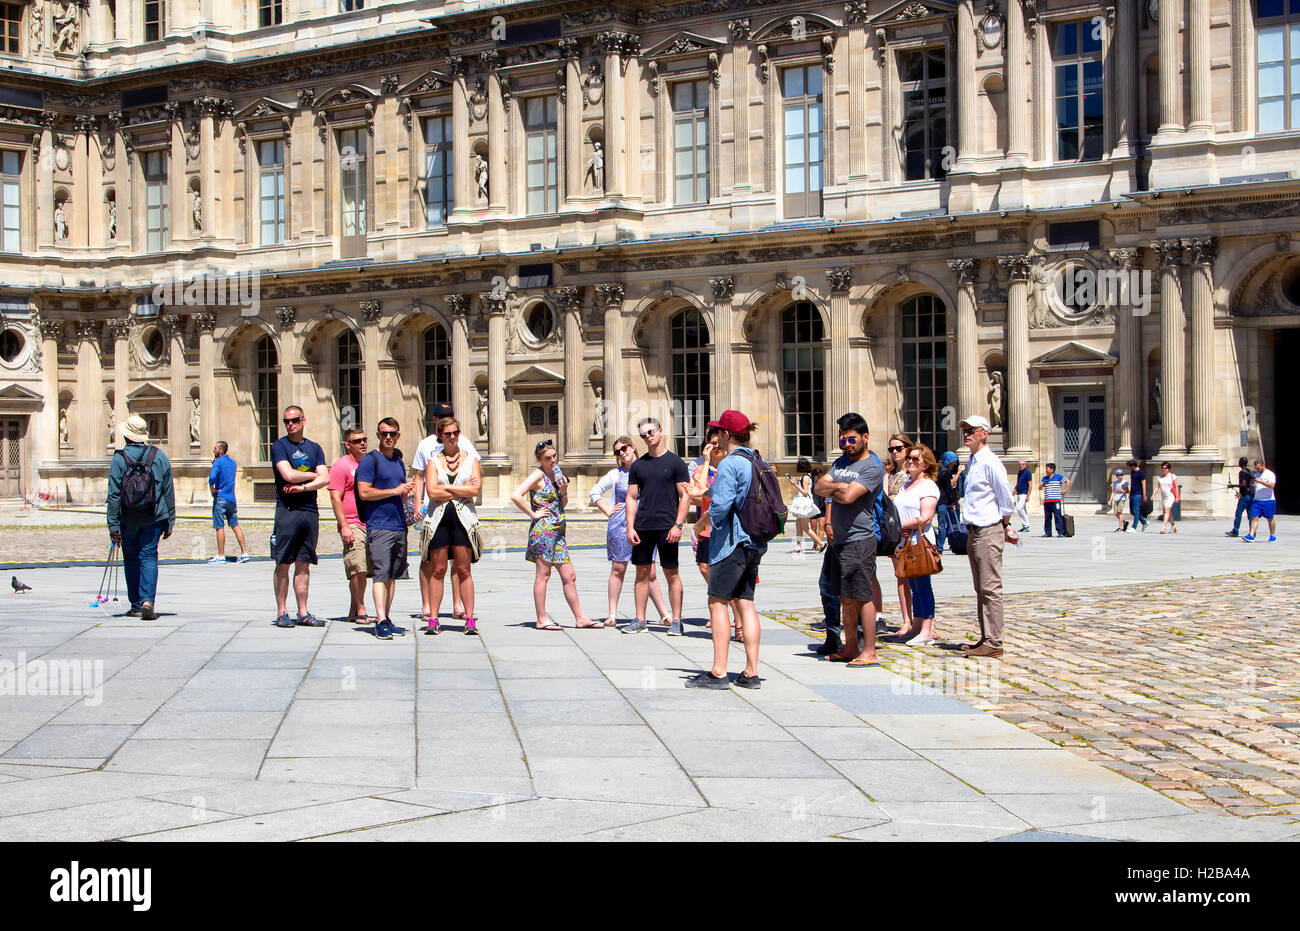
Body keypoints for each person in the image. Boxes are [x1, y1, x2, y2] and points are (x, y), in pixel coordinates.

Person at [686, 410, 767, 689]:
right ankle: (751, 672)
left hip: (731, 543)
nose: (717, 436)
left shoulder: (731, 463)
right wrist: (705, 494)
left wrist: (701, 524)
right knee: (746, 603)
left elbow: (721, 506)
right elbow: (732, 493)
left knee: (717, 602)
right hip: (754, 542)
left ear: (728, 435)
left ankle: (719, 671)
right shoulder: (757, 459)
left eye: (720, 431)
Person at [814, 412, 884, 667]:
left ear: (865, 437)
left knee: (862, 595)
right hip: (840, 541)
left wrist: (839, 488)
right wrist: (839, 486)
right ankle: (850, 645)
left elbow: (848, 497)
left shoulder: (872, 466)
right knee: (845, 596)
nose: (846, 444)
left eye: (851, 439)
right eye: (843, 440)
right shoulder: (841, 463)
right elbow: (819, 488)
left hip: (860, 539)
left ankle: (869, 651)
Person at [511, 439, 600, 630]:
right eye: (547, 458)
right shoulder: (538, 475)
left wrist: (564, 490)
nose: (552, 460)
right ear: (539, 459)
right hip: (543, 531)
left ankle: (580, 617)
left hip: (559, 531)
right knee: (543, 574)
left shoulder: (557, 475)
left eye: (554, 456)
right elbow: (516, 495)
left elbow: (562, 505)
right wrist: (533, 513)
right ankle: (542, 618)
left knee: (570, 575)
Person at [589, 435, 671, 627]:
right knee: (618, 568)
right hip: (620, 525)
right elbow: (594, 492)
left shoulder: (647, 468)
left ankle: (664, 613)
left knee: (649, 571)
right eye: (618, 451)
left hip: (645, 523)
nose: (622, 453)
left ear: (633, 447)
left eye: (624, 448)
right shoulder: (615, 474)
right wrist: (608, 510)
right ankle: (612, 613)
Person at [412, 402, 481, 623]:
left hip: (463, 520)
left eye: (455, 433)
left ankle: (467, 616)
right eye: (448, 434)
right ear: (440, 435)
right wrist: (460, 490)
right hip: (438, 519)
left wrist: (447, 488)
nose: (452, 437)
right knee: (438, 569)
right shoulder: (432, 459)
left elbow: (475, 490)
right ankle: (432, 616)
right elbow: (431, 492)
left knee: (463, 570)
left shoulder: (469, 457)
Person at [623, 417, 691, 636]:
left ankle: (677, 620)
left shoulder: (675, 463)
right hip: (643, 526)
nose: (647, 437)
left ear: (660, 431)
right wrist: (630, 527)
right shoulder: (638, 465)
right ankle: (640, 619)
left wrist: (678, 524)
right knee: (642, 573)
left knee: (671, 572)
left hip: (667, 526)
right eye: (643, 435)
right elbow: (631, 498)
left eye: (650, 432)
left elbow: (685, 496)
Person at [958, 414, 1018, 658]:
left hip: (988, 529)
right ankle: (986, 637)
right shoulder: (973, 461)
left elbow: (1005, 499)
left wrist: (1003, 525)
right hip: (973, 530)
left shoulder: (990, 462)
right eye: (965, 430)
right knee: (980, 587)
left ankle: (994, 642)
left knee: (990, 587)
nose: (966, 434)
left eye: (972, 430)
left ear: (984, 433)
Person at [106, 415, 175, 620]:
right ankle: (148, 601)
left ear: (126, 436)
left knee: (131, 560)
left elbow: (114, 494)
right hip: (154, 516)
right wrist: (170, 519)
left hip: (127, 518)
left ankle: (136, 605)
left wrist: (113, 525)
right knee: (149, 557)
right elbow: (169, 490)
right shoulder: (159, 456)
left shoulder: (119, 458)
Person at [356, 417, 416, 640]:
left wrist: (405, 494)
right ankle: (380, 620)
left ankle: (387, 618)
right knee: (380, 575)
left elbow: (399, 490)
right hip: (379, 526)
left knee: (392, 575)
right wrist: (393, 491)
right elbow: (364, 493)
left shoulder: (399, 462)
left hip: (399, 525)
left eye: (392, 434)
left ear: (398, 436)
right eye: (383, 434)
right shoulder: (370, 461)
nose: (388, 437)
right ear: (378, 436)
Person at [271, 405, 330, 629]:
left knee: (304, 563)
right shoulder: (280, 446)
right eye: (286, 421)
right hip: (287, 510)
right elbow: (288, 474)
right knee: (284, 561)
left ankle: (303, 611)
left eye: (294, 420)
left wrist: (304, 487)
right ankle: (282, 611)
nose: (290, 424)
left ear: (303, 421)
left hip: (309, 510)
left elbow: (326, 480)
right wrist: (315, 474)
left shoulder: (315, 448)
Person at [686, 428, 742, 641]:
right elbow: (695, 496)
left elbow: (706, 495)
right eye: (712, 445)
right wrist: (707, 461)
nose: (716, 448)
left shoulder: (730, 468)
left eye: (719, 445)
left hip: (724, 529)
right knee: (704, 568)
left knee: (727, 579)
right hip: (706, 528)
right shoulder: (702, 467)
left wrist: (705, 494)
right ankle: (724, 613)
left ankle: (737, 623)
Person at [894, 445, 941, 646]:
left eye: (916, 459)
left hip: (919, 541)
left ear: (926, 464)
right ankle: (916, 626)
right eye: (909, 458)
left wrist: (902, 525)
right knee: (913, 585)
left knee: (923, 586)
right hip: (905, 541)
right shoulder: (906, 485)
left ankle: (926, 629)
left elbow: (925, 517)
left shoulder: (928, 486)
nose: (910, 461)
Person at [328, 426, 370, 623]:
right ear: (348, 445)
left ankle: (353, 610)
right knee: (357, 566)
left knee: (363, 567)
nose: (362, 443)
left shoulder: (370, 463)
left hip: (369, 521)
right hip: (351, 522)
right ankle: (361, 609)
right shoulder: (341, 466)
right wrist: (343, 525)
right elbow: (335, 497)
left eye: (363, 439)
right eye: (356, 441)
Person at [884, 433, 914, 636]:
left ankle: (926, 620)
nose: (895, 452)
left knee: (919, 578)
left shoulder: (915, 475)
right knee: (901, 577)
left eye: (899, 448)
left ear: (907, 449)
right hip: (896, 532)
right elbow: (885, 504)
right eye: (891, 449)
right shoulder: (888, 476)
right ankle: (906, 619)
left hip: (912, 531)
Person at [207, 440, 249, 563]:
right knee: (235, 525)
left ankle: (221, 555)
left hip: (221, 497)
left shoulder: (218, 463)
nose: (213, 450)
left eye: (215, 448)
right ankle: (244, 553)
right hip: (231, 498)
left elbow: (212, 478)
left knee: (219, 526)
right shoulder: (233, 462)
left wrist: (212, 488)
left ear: (220, 450)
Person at [786, 457, 825, 554]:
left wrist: (795, 484)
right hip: (802, 503)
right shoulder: (805, 476)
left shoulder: (806, 477)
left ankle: (821, 543)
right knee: (798, 525)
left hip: (804, 503)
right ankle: (798, 545)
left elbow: (805, 492)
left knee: (805, 527)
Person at [1243, 459, 1277, 543]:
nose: (1257, 470)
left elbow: (1272, 485)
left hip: (1268, 500)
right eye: (1256, 468)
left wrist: (1260, 481)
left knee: (1270, 518)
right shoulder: (1256, 474)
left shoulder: (1270, 474)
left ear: (1262, 466)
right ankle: (1251, 535)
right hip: (1257, 500)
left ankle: (1272, 536)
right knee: (1254, 517)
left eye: (1258, 468)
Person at [936, 451, 961, 553]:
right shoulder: (946, 471)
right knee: (946, 525)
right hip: (944, 501)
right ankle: (940, 547)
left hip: (943, 501)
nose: (955, 462)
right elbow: (949, 487)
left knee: (945, 524)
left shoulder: (943, 470)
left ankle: (941, 546)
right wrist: (953, 502)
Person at [1226, 456, 1255, 537]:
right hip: (1250, 495)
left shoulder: (1242, 472)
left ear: (1241, 463)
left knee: (1238, 513)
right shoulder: (1249, 471)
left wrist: (1233, 485)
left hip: (1244, 495)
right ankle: (1252, 531)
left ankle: (1235, 531)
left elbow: (1243, 484)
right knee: (1250, 515)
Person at [1039, 463, 1069, 537]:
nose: (1046, 470)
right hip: (1047, 501)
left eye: (1047, 468)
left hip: (1056, 501)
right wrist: (1042, 484)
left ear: (1052, 469)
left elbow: (1068, 481)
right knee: (1047, 517)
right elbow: (1039, 488)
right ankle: (1048, 532)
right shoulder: (1044, 478)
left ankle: (1060, 532)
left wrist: (1065, 490)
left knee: (1057, 516)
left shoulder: (1058, 477)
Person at [1156, 462, 1180, 534]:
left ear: (1168, 469)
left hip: (1171, 496)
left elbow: (1176, 487)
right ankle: (1174, 527)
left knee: (1166, 511)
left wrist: (1177, 497)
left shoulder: (1173, 476)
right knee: (1168, 512)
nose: (1163, 469)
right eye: (1162, 468)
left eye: (1165, 468)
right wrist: (1153, 495)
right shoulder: (1160, 477)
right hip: (1164, 497)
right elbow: (1157, 487)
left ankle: (1163, 527)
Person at [1127, 459, 1149, 533]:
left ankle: (1134, 527)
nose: (1128, 468)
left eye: (1129, 466)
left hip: (1138, 494)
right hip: (1132, 493)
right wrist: (1130, 494)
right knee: (1132, 511)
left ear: (1133, 466)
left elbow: (1144, 483)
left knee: (1136, 510)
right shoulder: (1132, 472)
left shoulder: (1141, 473)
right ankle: (1144, 522)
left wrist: (1144, 495)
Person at [1014, 459, 1032, 532]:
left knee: (1019, 508)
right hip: (1019, 492)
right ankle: (1025, 525)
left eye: (1022, 464)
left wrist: (1028, 495)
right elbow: (1017, 483)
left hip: (1024, 493)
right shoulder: (1020, 472)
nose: (1021, 466)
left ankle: (1026, 525)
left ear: (1025, 465)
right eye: (1020, 464)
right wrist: (1012, 493)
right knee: (1023, 509)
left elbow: (1030, 484)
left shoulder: (1027, 473)